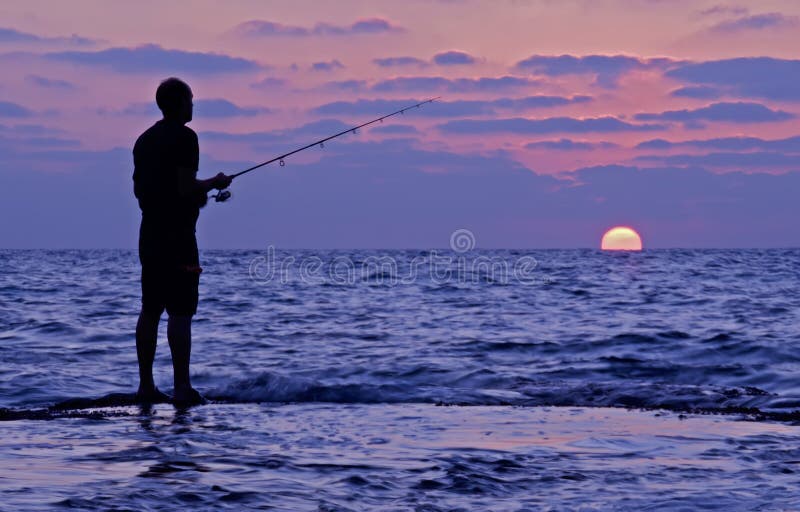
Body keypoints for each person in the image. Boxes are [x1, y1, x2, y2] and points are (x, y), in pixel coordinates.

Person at [132, 77, 231, 406]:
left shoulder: (143, 141)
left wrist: (197, 194)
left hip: (150, 234)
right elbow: (185, 187)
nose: (193, 105)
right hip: (178, 238)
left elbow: (150, 191)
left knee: (150, 309)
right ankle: (182, 388)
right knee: (180, 311)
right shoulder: (186, 138)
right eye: (190, 100)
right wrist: (214, 182)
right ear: (178, 104)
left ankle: (146, 387)